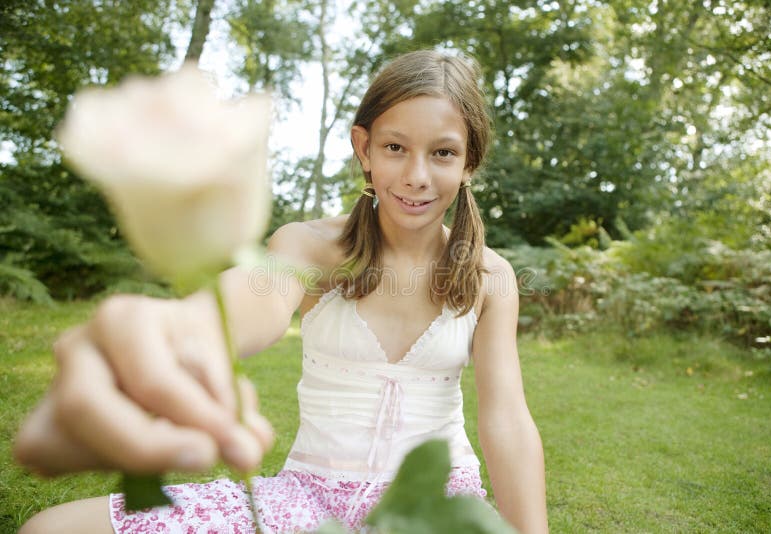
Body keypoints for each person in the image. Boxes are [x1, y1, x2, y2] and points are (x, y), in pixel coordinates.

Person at [14, 49, 548, 533]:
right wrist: (181, 330)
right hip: (306, 501)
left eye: (443, 153)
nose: (416, 175)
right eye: (395, 147)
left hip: (433, 507)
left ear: (469, 162)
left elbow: (506, 419)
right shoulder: (309, 246)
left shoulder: (491, 277)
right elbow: (259, 298)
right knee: (52, 529)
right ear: (364, 148)